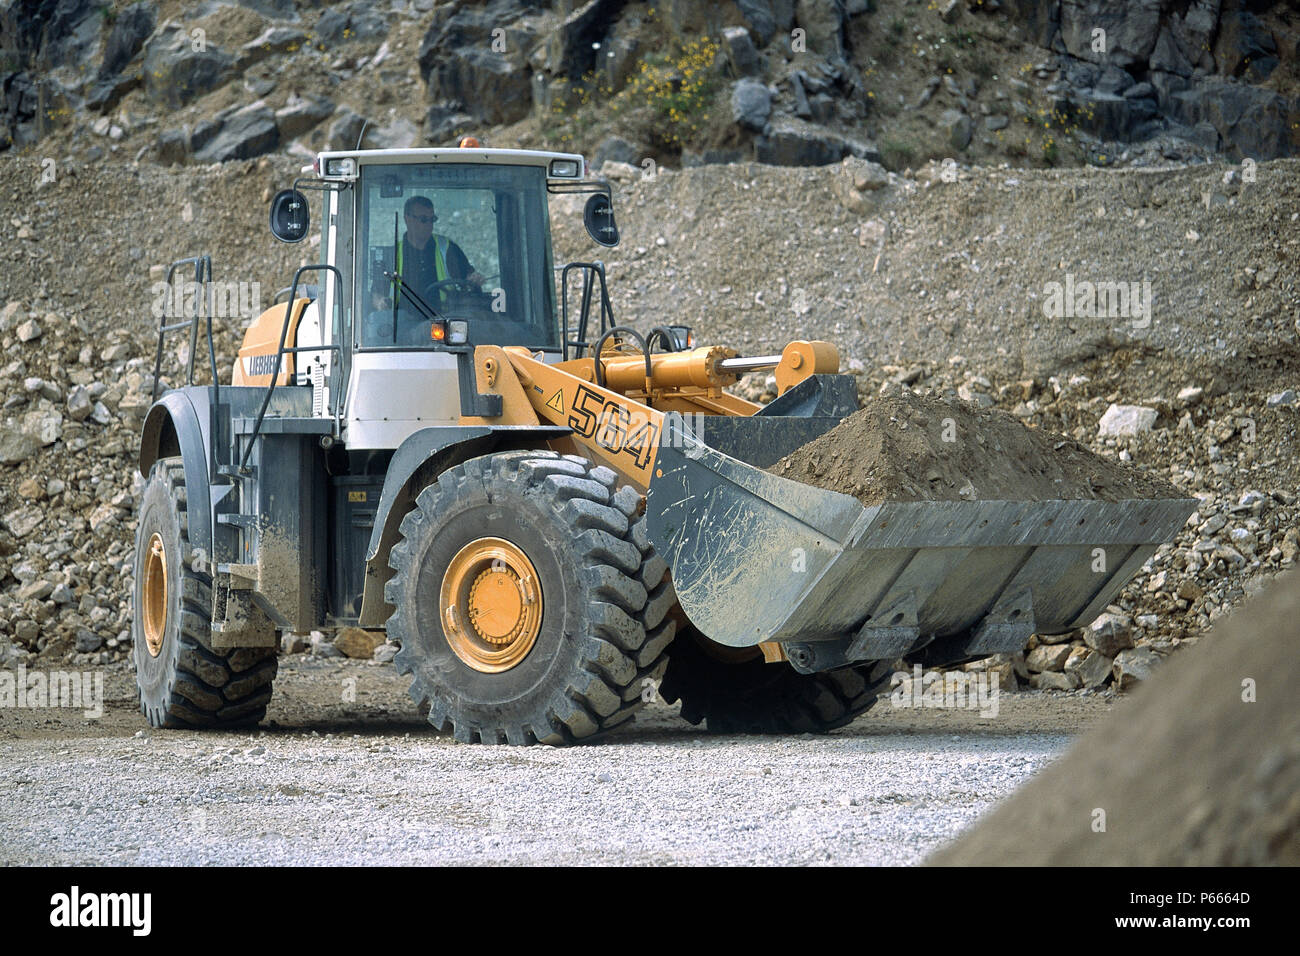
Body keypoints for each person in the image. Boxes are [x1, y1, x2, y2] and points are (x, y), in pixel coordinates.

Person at [370, 195, 485, 313]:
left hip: (445, 321)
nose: (429, 225)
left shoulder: (448, 249)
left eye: (432, 219)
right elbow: (376, 294)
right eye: (424, 219)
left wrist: (474, 279)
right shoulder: (391, 255)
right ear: (407, 219)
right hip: (401, 326)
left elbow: (469, 278)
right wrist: (380, 303)